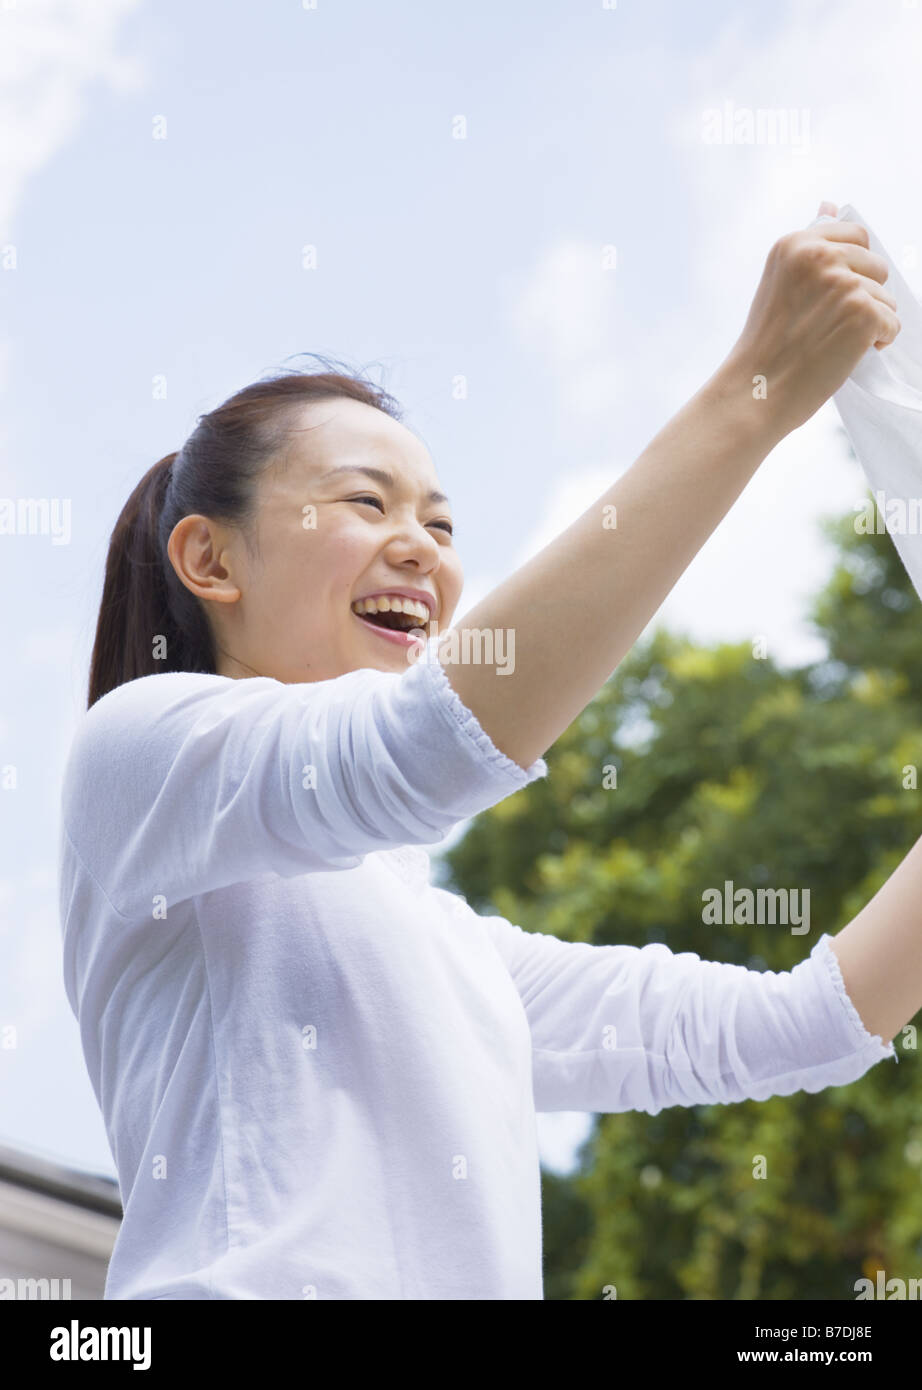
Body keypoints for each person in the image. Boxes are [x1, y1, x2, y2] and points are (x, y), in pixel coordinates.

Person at [59, 202, 915, 1301]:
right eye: (366, 502)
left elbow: (804, 1023)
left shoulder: (447, 955)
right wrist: (752, 395)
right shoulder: (131, 756)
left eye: (444, 525)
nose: (420, 546)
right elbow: (430, 749)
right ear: (210, 559)